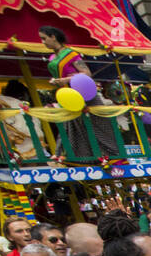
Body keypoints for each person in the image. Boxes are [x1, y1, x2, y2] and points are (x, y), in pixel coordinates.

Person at [38, 25, 122, 159]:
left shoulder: (70, 54)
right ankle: (75, 156)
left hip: (83, 92)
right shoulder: (52, 57)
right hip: (67, 95)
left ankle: (111, 156)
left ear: (53, 37)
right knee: (71, 125)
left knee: (97, 124)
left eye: (44, 38)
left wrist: (65, 79)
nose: (43, 42)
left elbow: (86, 73)